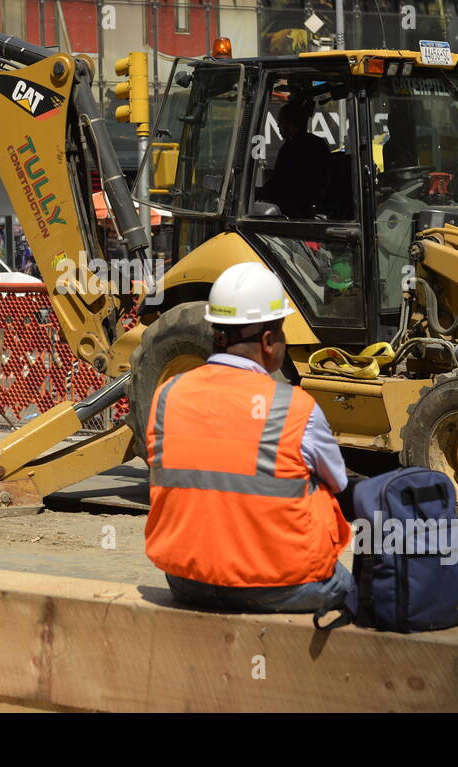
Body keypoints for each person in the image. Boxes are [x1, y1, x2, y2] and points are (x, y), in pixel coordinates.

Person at [144, 262, 353, 615]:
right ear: (269, 341)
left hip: (185, 580)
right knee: (359, 585)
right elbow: (339, 481)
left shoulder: (168, 394)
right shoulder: (293, 407)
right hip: (281, 587)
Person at [258, 99, 353, 220]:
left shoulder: (293, 149)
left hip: (299, 210)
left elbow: (281, 182)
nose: (278, 126)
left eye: (280, 123)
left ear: (291, 124)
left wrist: (260, 193)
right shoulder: (316, 143)